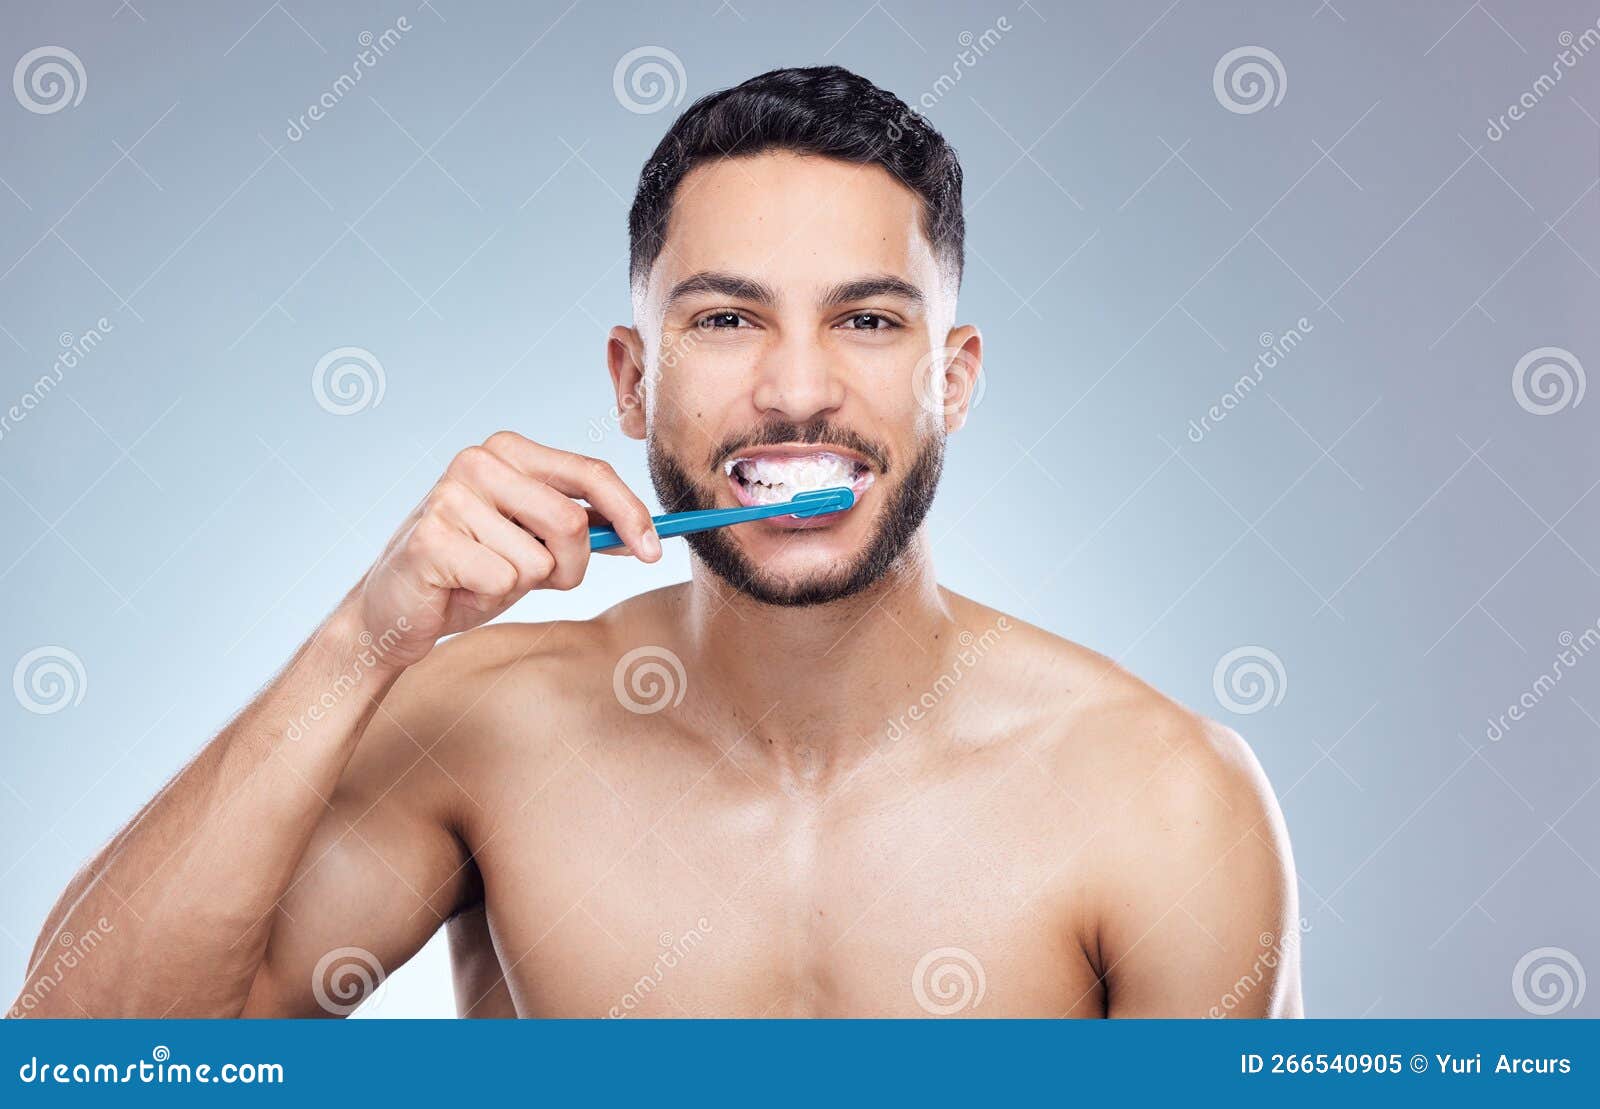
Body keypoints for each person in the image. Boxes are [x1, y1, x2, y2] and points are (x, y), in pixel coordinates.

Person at [13, 66, 1301, 1019]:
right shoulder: (486, 730)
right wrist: (360, 648)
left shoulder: (1162, 796)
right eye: (730, 319)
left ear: (951, 381)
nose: (798, 391)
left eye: (865, 321)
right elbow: (87, 1063)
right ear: (633, 382)